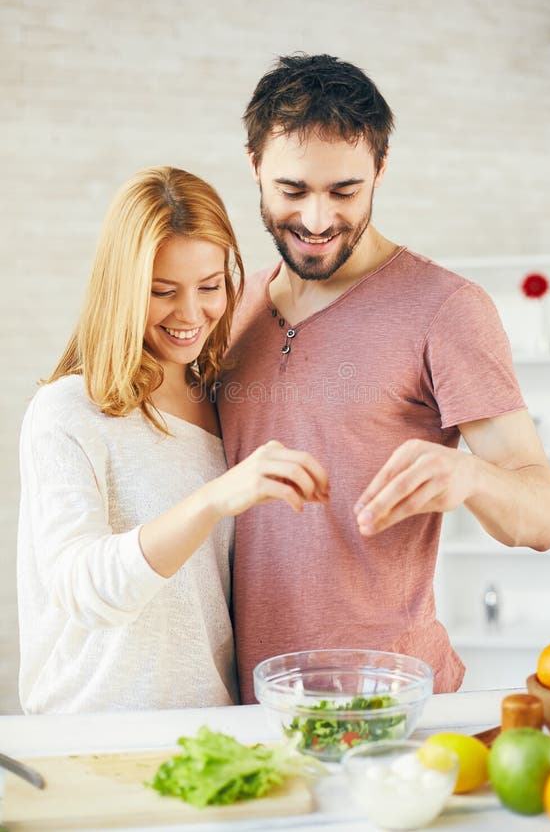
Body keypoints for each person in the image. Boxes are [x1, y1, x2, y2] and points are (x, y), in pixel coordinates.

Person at [217, 54, 550, 703]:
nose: (318, 221)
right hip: (254, 706)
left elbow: (544, 519)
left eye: (344, 191)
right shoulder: (229, 309)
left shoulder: (445, 309)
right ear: (253, 167)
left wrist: (470, 475)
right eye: (292, 191)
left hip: (394, 705)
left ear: (381, 169)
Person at [17, 166, 328, 714]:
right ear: (122, 288)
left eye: (209, 287)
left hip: (208, 720)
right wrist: (212, 500)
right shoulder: (67, 411)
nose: (191, 315)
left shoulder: (221, 402)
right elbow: (84, 589)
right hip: (90, 727)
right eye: (162, 292)